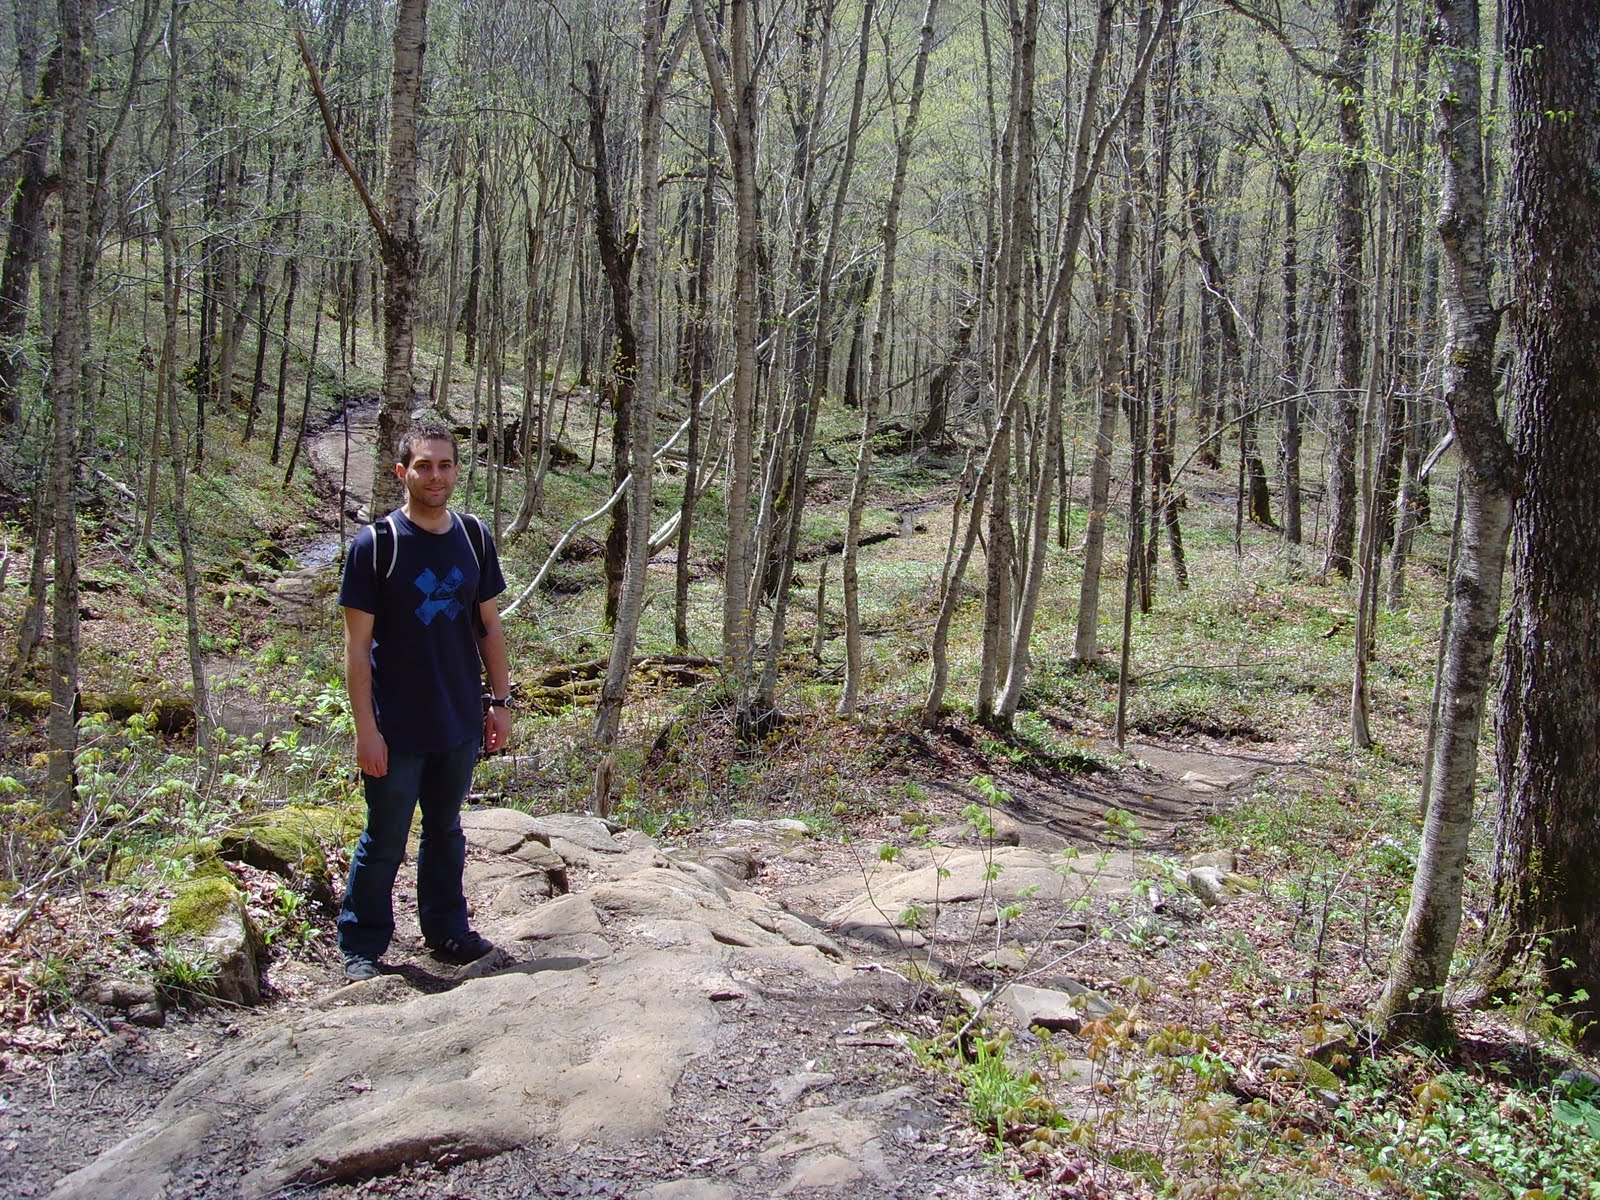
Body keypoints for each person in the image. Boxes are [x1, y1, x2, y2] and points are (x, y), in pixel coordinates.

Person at [335, 421, 513, 982]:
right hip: (397, 723)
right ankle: (362, 944)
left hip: (458, 716)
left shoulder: (475, 536)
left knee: (446, 829)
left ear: (456, 470)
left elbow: (488, 626)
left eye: (444, 465)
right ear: (402, 472)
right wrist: (366, 729)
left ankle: (447, 931)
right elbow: (357, 647)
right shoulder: (377, 546)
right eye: (423, 466)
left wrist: (501, 700)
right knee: (385, 836)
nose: (434, 475)